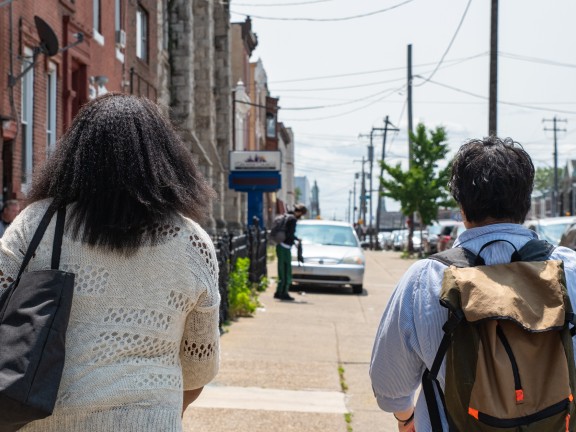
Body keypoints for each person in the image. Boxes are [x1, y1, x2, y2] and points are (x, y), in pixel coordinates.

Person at [2, 93, 220, 431]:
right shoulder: (192, 242)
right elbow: (199, 367)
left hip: (43, 417)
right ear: (165, 159)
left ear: (75, 155)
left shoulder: (36, 223)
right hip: (149, 420)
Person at [369, 136, 576, 432]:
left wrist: (406, 418)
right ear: (526, 204)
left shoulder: (426, 277)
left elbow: (389, 385)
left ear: (462, 207)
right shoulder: (567, 270)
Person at [274, 203, 307, 301]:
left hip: (280, 245)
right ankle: (284, 292)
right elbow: (290, 234)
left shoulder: (286, 216)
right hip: (285, 247)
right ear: (300, 212)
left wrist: (295, 239)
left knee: (281, 270)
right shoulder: (293, 220)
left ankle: (278, 291)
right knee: (286, 271)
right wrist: (295, 241)